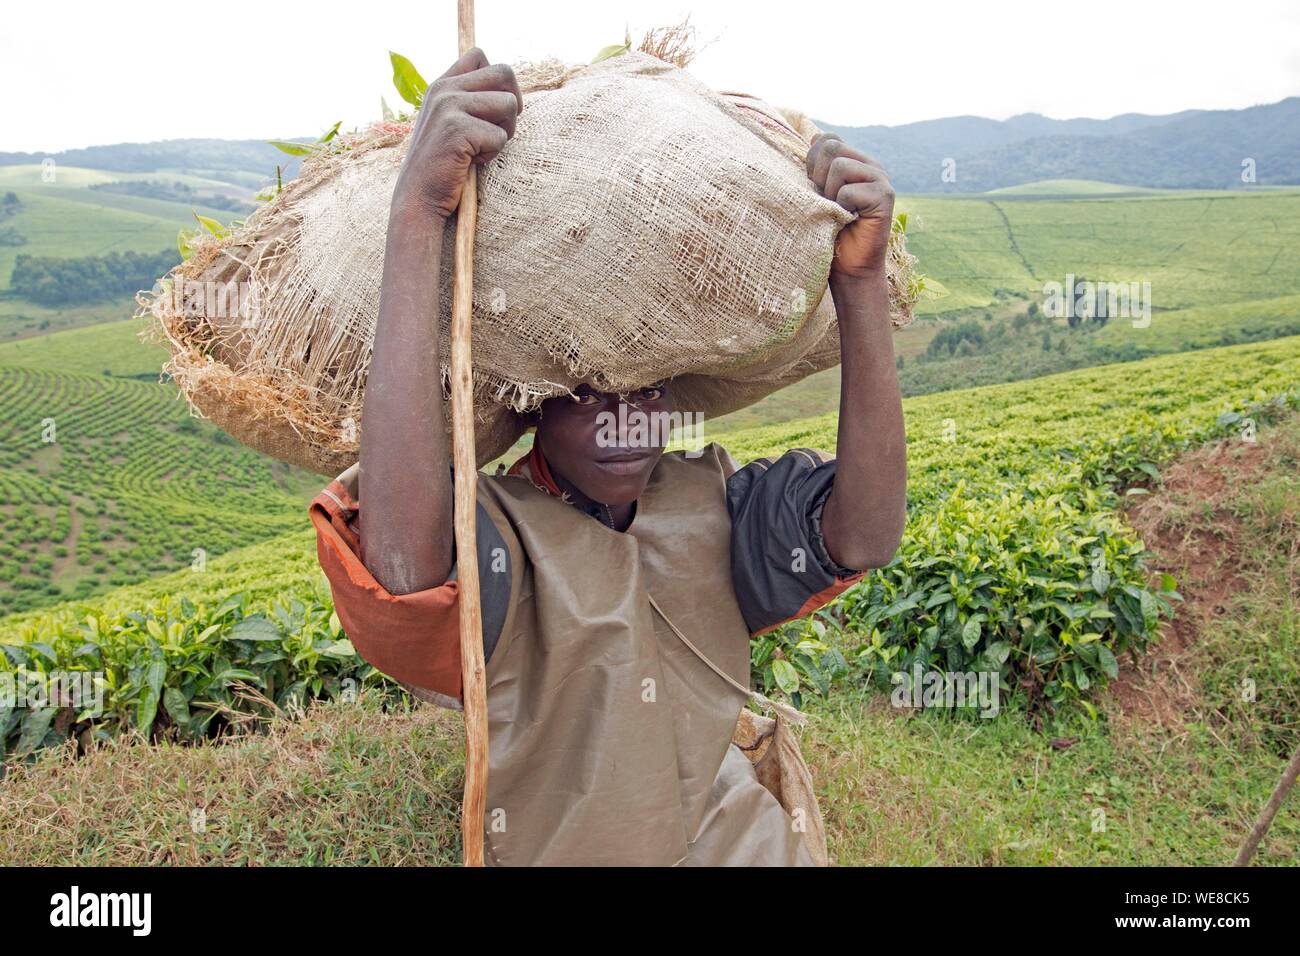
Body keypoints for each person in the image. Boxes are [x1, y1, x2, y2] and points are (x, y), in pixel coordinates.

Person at [310, 48, 907, 866]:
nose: (627, 420)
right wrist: (417, 215)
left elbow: (864, 534)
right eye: (590, 390)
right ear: (533, 403)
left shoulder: (716, 499)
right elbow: (408, 572)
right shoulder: (503, 542)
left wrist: (860, 288)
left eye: (649, 390)